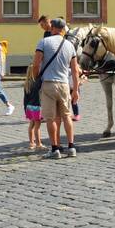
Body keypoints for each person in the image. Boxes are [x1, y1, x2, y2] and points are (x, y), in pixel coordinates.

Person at [34, 17, 80, 157]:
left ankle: (55, 149)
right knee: (66, 116)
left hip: (48, 83)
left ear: (52, 28)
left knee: (50, 118)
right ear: (63, 29)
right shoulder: (69, 45)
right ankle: (71, 147)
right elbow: (75, 69)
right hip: (64, 85)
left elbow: (36, 64)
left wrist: (37, 77)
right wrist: (76, 89)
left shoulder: (44, 42)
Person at [23, 60, 44, 149]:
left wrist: (25, 110)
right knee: (37, 127)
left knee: (31, 125)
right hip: (37, 107)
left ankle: (31, 143)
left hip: (29, 107)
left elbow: (25, 99)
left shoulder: (27, 83)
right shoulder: (38, 82)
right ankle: (39, 144)